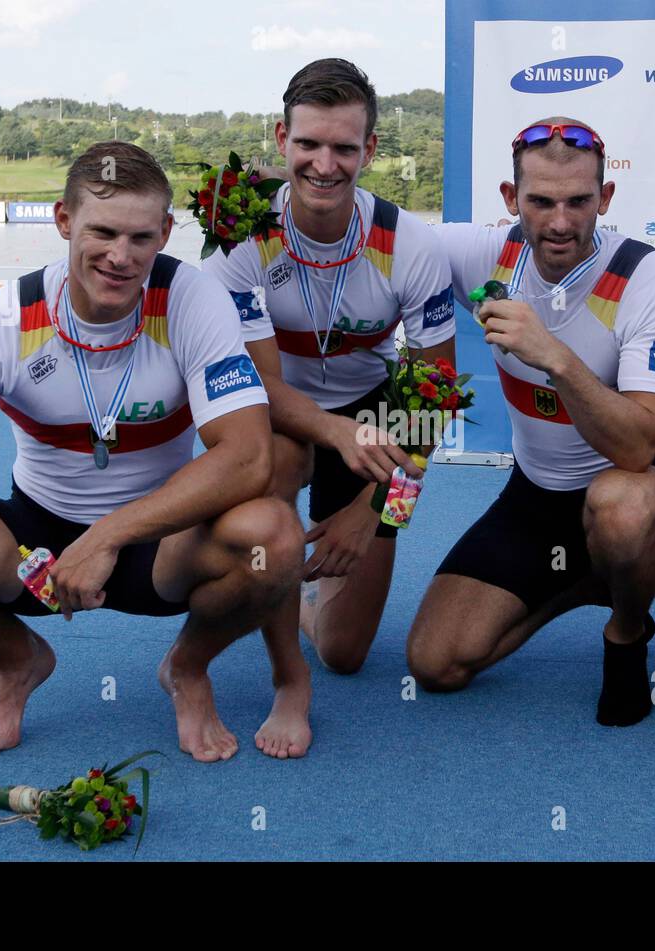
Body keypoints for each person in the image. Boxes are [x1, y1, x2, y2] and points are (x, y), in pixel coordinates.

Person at [0, 142, 304, 763]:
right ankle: (18, 659)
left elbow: (249, 458)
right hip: (35, 542)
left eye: (142, 237)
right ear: (63, 220)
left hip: (161, 545)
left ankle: (188, 668)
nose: (121, 257)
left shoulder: (195, 303)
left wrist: (107, 536)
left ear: (167, 232)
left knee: (272, 539)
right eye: (103, 232)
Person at [406, 118, 655, 725]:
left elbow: (640, 445)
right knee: (436, 666)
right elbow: (375, 227)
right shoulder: (485, 253)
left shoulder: (649, 279)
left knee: (621, 510)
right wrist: (284, 184)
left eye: (578, 201)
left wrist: (555, 357)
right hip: (536, 494)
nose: (560, 222)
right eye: (540, 202)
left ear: (605, 198)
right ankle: (591, 579)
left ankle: (625, 628)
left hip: (636, 483)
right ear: (511, 201)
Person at [203, 59, 456, 753]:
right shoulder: (241, 231)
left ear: (370, 150)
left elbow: (435, 408)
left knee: (346, 653)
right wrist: (337, 436)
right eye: (309, 144)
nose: (324, 163)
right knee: (279, 459)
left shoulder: (411, 245)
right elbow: (255, 387)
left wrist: (370, 508)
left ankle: (291, 593)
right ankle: (290, 682)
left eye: (345, 147)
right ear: (282, 138)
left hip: (374, 417)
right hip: (276, 407)